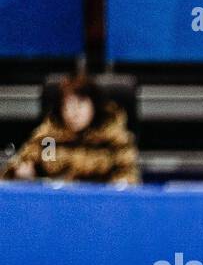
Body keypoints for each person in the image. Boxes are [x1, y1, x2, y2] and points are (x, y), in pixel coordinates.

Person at [1, 74, 140, 185]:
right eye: (67, 106)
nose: (73, 112)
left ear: (94, 106)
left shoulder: (113, 137)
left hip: (101, 206)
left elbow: (129, 173)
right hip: (56, 206)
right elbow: (18, 166)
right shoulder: (49, 138)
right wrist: (21, 173)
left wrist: (120, 184)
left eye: (80, 105)